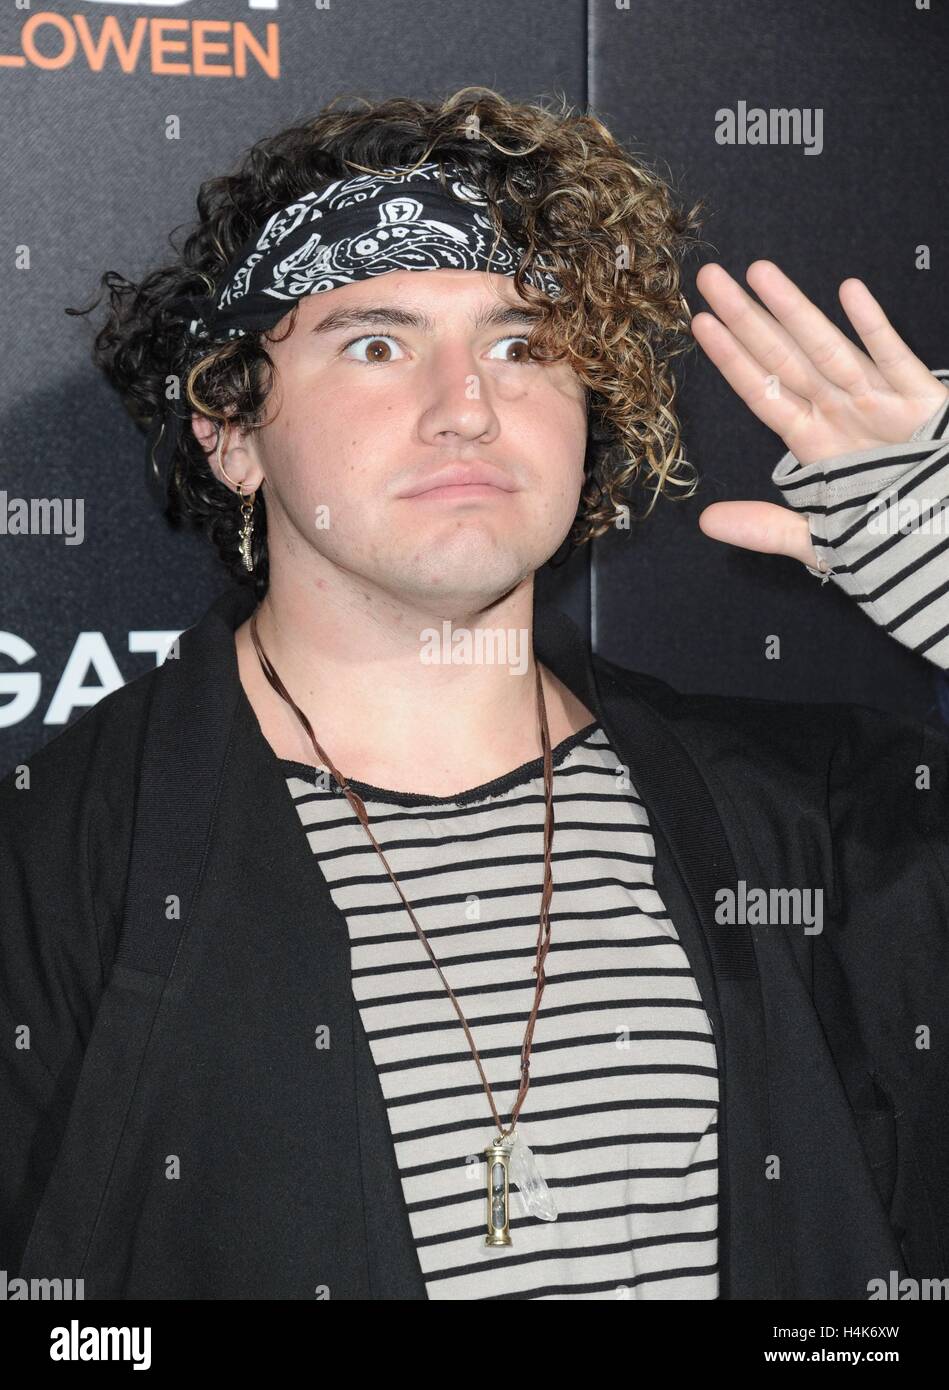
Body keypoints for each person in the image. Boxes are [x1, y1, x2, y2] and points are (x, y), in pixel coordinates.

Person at [1, 87, 947, 1301]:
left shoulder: (817, 817)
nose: (467, 407)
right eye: (376, 342)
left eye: (522, 344)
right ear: (229, 430)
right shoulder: (55, 863)